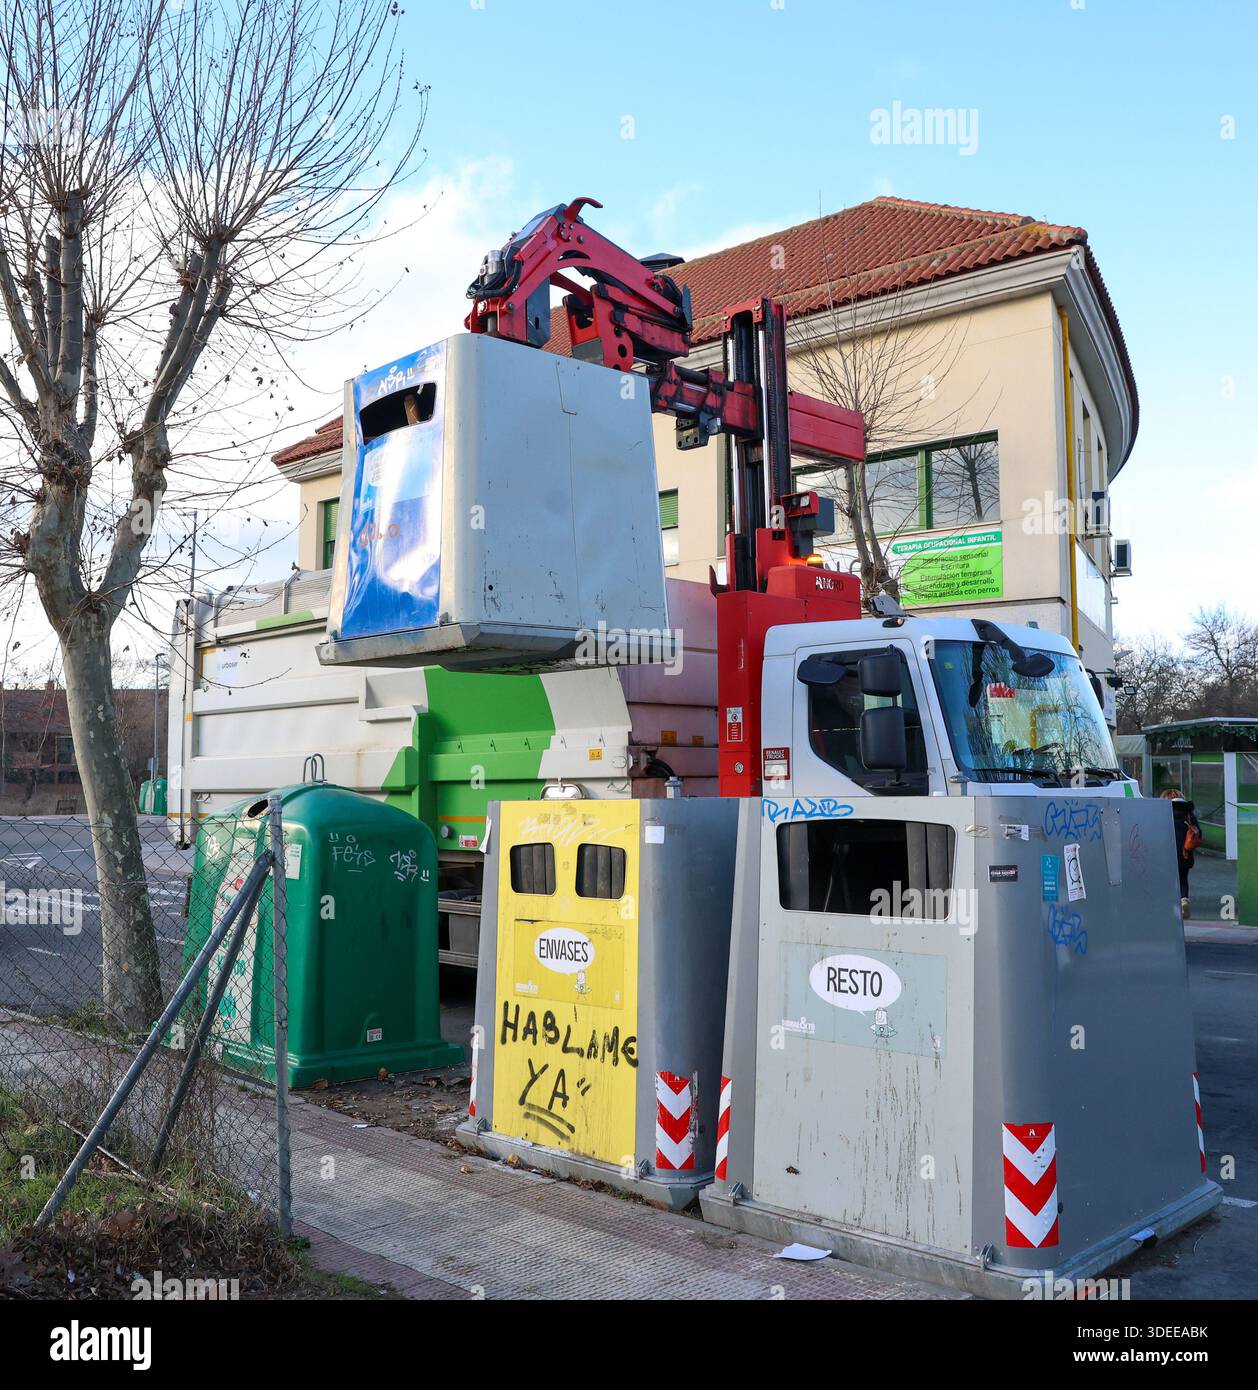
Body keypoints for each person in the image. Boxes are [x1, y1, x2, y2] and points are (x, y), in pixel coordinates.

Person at [1160, 788, 1202, 919]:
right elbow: (1199, 833)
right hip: (1185, 853)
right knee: (1183, 878)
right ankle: (1184, 900)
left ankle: (1170, 906)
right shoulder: (1189, 814)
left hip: (1167, 854)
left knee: (1167, 880)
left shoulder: (1163, 813)